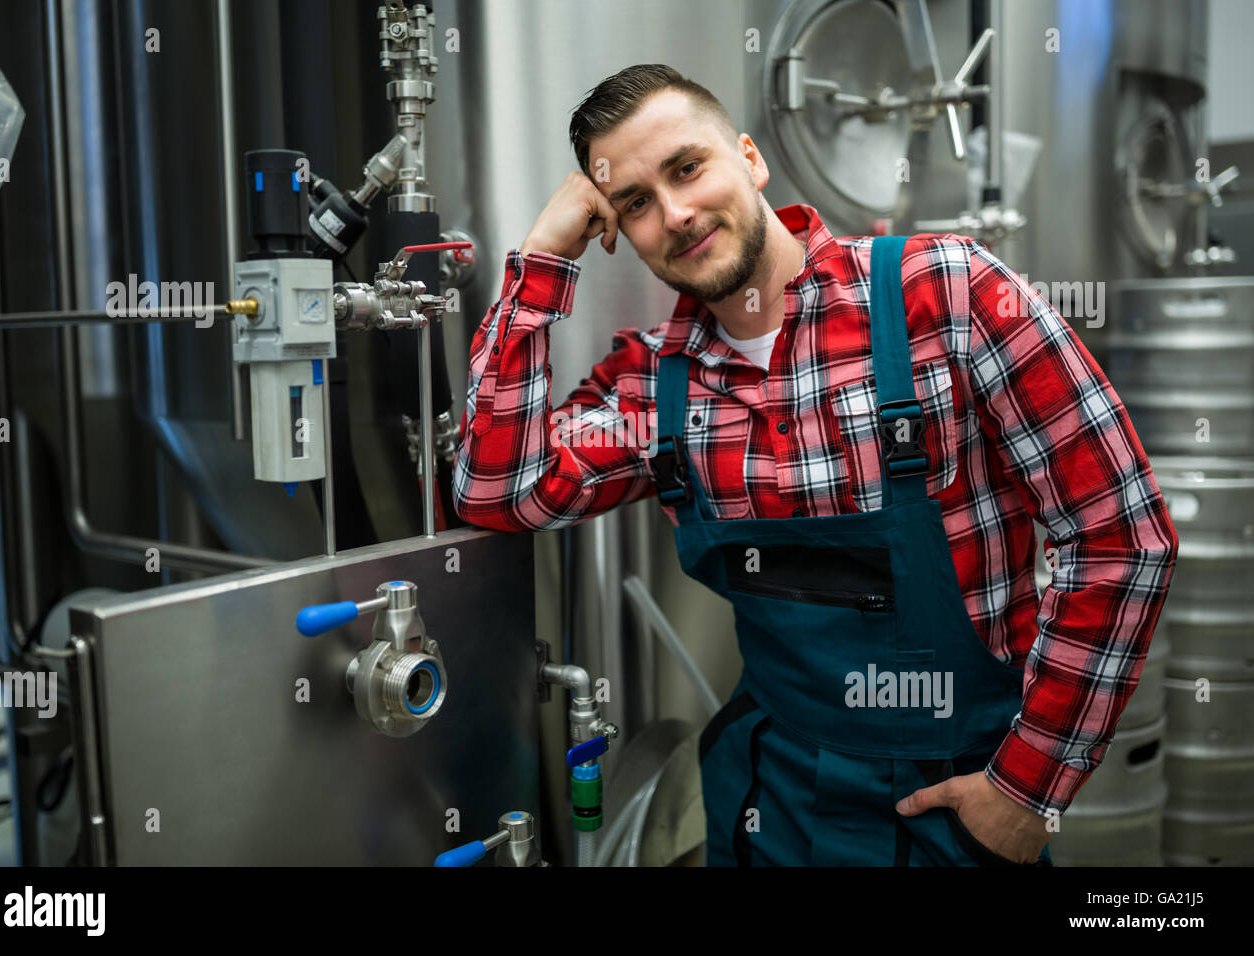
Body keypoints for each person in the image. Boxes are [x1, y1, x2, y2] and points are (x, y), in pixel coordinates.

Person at [452, 63, 1178, 866]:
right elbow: (498, 490)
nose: (677, 213)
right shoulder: (653, 386)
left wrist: (1028, 788)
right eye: (636, 203)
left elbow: (1121, 535)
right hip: (771, 806)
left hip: (953, 808)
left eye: (687, 168)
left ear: (750, 158)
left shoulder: (947, 292)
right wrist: (545, 257)